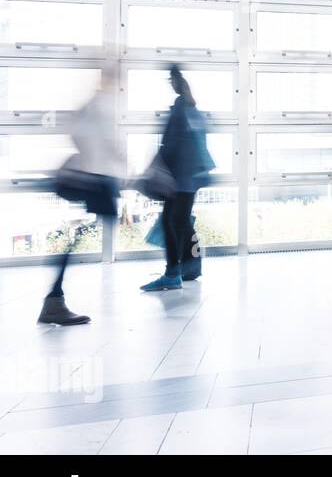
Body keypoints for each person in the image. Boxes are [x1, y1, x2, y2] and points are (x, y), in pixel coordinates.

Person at [39, 70, 125, 325]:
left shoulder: (90, 106)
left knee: (93, 227)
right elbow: (107, 144)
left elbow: (77, 135)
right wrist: (119, 162)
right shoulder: (100, 107)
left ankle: (54, 298)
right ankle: (53, 300)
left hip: (89, 178)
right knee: (90, 229)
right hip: (94, 180)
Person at [140, 65, 215, 291]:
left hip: (178, 177)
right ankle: (190, 267)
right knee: (180, 222)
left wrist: (160, 172)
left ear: (174, 83)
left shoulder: (180, 109)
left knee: (172, 222)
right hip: (191, 176)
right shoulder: (193, 109)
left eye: (169, 81)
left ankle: (174, 273)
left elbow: (171, 144)